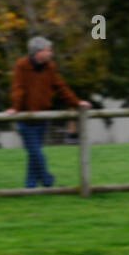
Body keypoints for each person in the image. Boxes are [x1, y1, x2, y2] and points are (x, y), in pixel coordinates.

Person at [5, 36, 90, 188]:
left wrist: (76, 103)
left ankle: (30, 185)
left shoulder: (50, 67)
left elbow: (61, 87)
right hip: (26, 118)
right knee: (36, 152)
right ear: (38, 52)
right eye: (48, 50)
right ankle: (47, 179)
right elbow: (18, 88)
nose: (50, 53)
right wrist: (15, 108)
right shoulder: (21, 66)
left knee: (33, 154)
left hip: (43, 117)